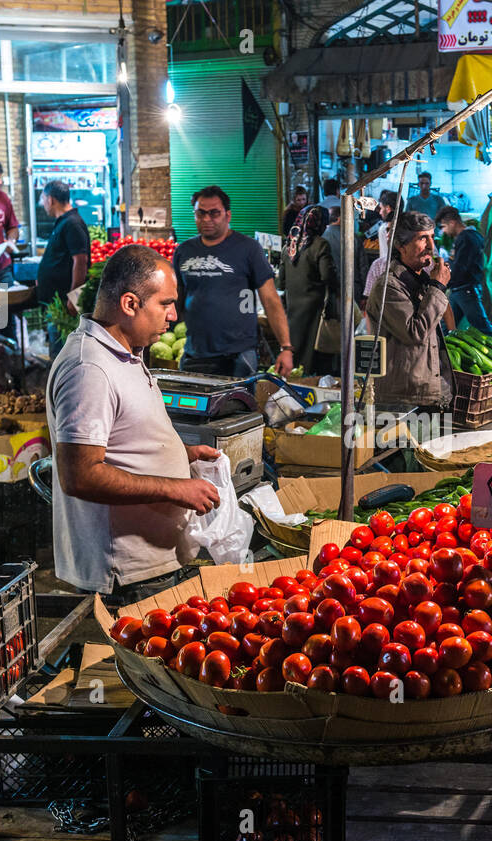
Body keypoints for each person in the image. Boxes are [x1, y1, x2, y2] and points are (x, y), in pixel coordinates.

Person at [47, 244, 221, 610]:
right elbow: (80, 475)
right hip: (127, 575)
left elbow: (120, 442)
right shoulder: (89, 370)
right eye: (165, 303)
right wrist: (176, 489)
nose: (174, 315)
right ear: (130, 304)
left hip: (151, 562)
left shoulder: (124, 352)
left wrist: (181, 456)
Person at [171, 185, 294, 378]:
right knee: (195, 407)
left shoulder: (248, 249)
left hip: (238, 354)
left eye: (214, 213)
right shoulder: (184, 251)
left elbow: (271, 300)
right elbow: (175, 298)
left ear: (227, 215)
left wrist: (286, 347)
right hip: (195, 352)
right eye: (200, 213)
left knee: (238, 406)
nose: (207, 219)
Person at [365, 211, 454, 409]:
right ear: (400, 245)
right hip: (405, 399)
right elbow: (414, 332)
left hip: (430, 391)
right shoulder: (388, 286)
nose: (431, 246)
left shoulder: (421, 280)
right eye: (423, 238)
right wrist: (437, 288)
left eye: (432, 237)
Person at [281, 204, 339, 376]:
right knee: (314, 350)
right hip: (315, 307)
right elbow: (327, 275)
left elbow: (281, 281)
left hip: (293, 307)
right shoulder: (321, 245)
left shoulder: (288, 247)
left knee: (296, 346)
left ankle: (295, 379)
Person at [434, 206, 492, 337]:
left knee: (482, 327)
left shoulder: (466, 238)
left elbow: (461, 268)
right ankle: (441, 352)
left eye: (443, 227)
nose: (443, 232)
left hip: (466, 290)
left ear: (452, 222)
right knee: (446, 326)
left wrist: (445, 282)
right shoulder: (470, 236)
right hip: (460, 290)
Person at [35, 180, 90, 312]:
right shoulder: (64, 221)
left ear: (51, 200)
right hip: (55, 299)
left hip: (64, 301)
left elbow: (81, 261)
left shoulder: (72, 223)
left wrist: (74, 297)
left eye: (43, 199)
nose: (43, 205)